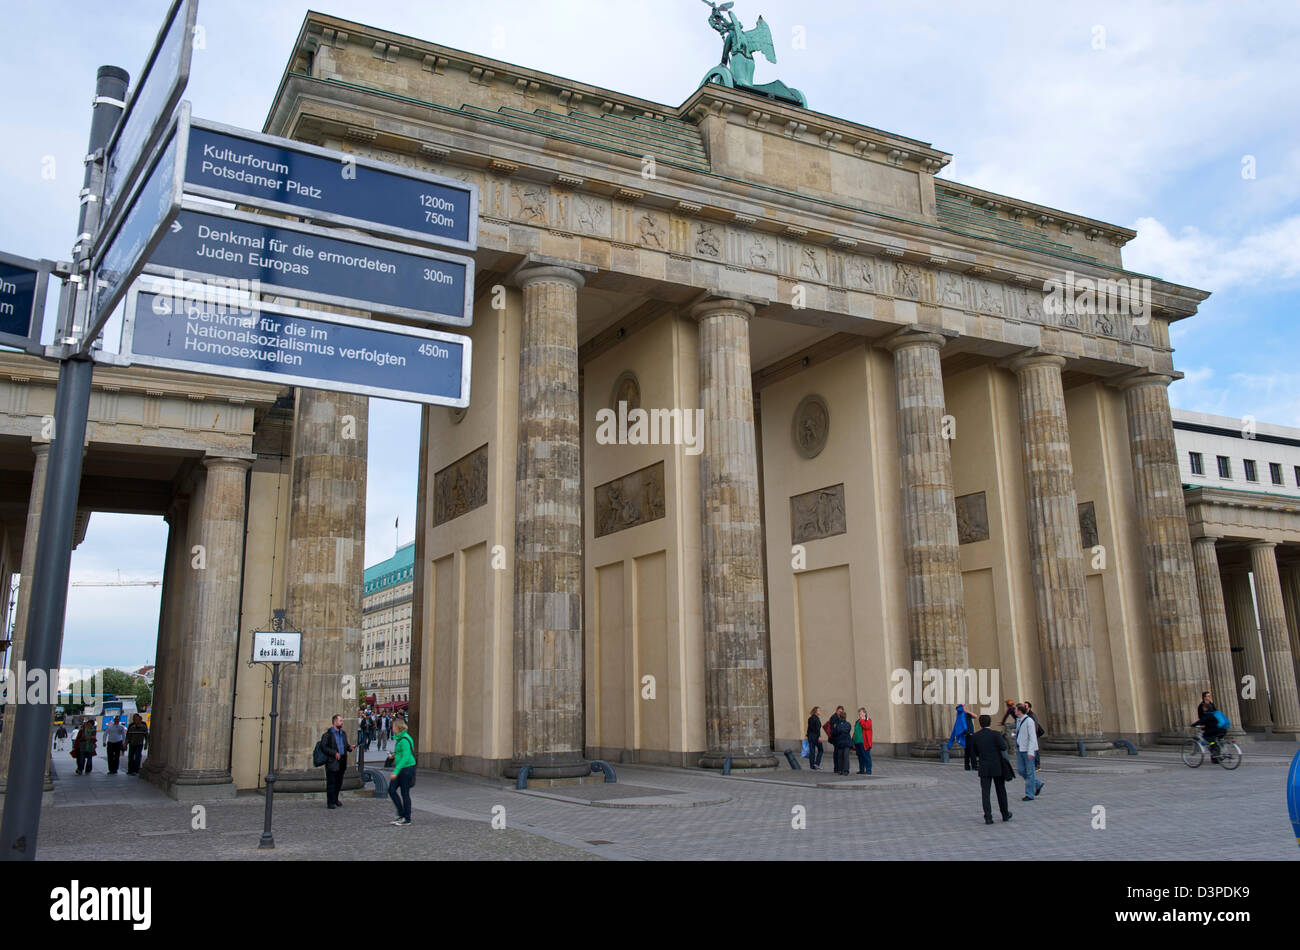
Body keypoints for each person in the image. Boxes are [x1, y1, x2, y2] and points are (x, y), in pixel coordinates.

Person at [967, 714, 1013, 824]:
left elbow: (974, 752)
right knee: (1001, 791)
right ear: (990, 723)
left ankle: (988, 817)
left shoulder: (975, 736)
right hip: (997, 766)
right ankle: (1005, 814)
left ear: (980, 723)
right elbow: (1003, 747)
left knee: (985, 793)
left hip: (984, 766)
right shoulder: (996, 734)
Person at [320, 714, 356, 809]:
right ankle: (330, 801)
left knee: (339, 782)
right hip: (332, 761)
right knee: (331, 782)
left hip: (342, 760)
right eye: (340, 721)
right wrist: (334, 753)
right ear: (335, 722)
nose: (342, 722)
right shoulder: (328, 735)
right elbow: (323, 747)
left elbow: (345, 745)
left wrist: (349, 747)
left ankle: (335, 799)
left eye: (342, 721)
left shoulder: (343, 733)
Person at [387, 718, 416, 826]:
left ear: (397, 727)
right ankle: (401, 813)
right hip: (401, 768)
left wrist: (396, 771)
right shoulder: (400, 739)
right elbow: (401, 753)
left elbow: (406, 757)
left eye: (393, 726)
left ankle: (407, 818)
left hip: (407, 769)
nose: (392, 728)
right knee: (391, 790)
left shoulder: (404, 739)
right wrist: (393, 756)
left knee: (405, 793)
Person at [1014, 704, 1043, 801]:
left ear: (1019, 711)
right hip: (1020, 749)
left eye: (1016, 709)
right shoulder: (1018, 720)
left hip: (1028, 750)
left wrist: (1031, 751)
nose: (1014, 711)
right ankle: (1037, 783)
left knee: (1030, 772)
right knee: (1021, 770)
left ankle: (1030, 794)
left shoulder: (1029, 721)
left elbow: (1032, 737)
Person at [1191, 690, 1226, 762]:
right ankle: (1215, 756)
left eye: (1210, 696)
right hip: (1209, 724)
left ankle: (1215, 756)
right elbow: (1201, 716)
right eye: (1208, 696)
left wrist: (1195, 724)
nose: (1210, 697)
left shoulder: (1211, 705)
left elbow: (1215, 714)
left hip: (1211, 726)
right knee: (1213, 740)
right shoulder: (1201, 706)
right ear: (1204, 697)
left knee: (1211, 740)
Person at [829, 706, 853, 775]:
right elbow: (848, 730)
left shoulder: (838, 725)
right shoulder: (848, 724)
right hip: (847, 743)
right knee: (846, 757)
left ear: (840, 717)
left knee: (840, 757)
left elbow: (834, 732)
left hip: (839, 743)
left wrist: (837, 729)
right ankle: (846, 770)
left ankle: (840, 770)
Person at [853, 707, 873, 775]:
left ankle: (868, 770)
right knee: (860, 756)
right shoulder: (857, 721)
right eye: (859, 712)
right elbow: (855, 731)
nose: (860, 714)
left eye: (861, 712)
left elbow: (866, 726)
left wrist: (861, 720)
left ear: (865, 713)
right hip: (858, 742)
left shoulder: (868, 719)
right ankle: (861, 770)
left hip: (864, 742)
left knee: (866, 756)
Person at [805, 706, 824, 770]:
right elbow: (817, 729)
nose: (820, 711)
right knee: (821, 750)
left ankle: (812, 765)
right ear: (816, 711)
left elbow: (809, 728)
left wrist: (807, 736)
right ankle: (816, 764)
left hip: (810, 736)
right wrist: (819, 737)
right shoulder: (816, 719)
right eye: (819, 710)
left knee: (812, 751)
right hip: (816, 736)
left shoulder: (810, 718)